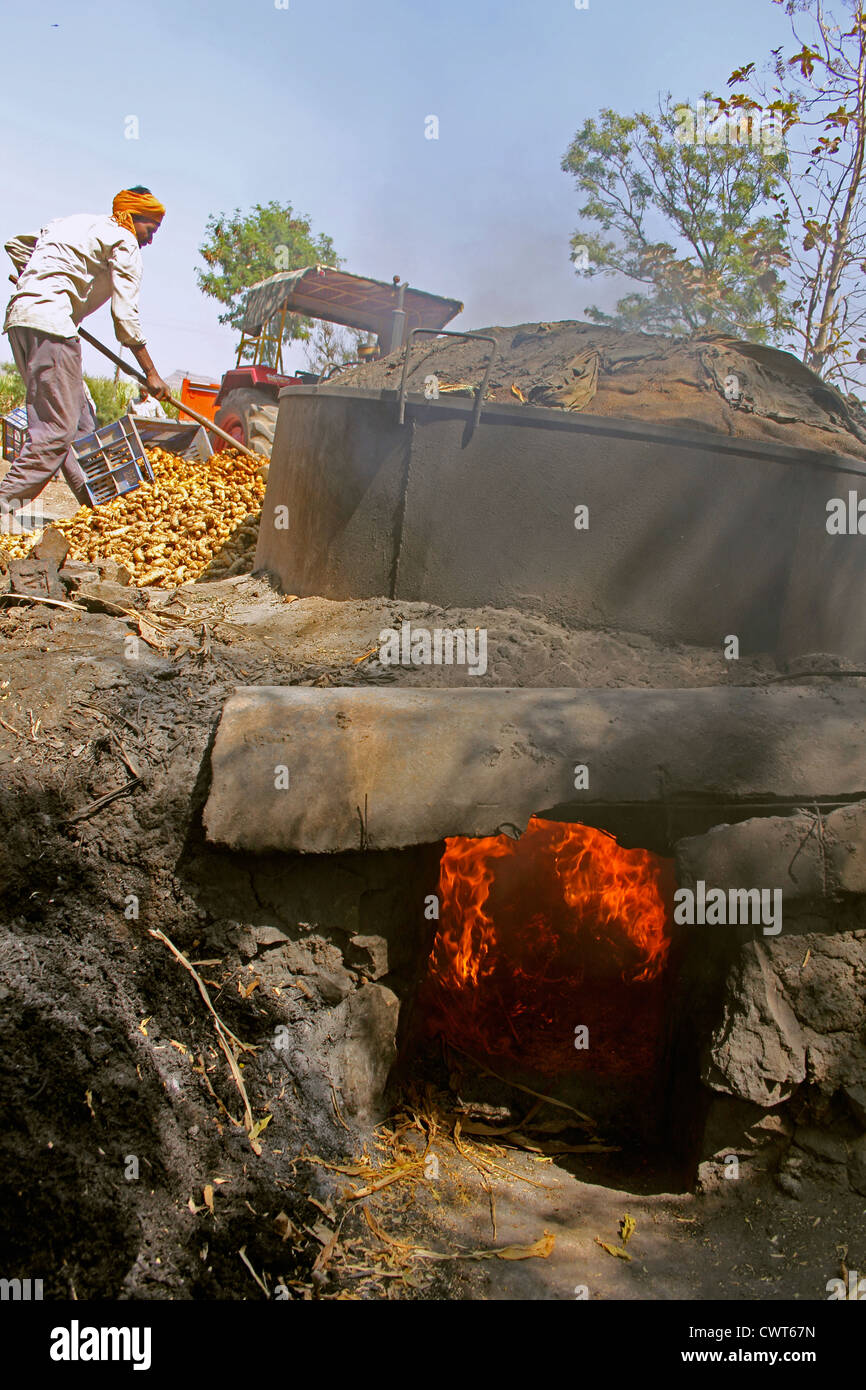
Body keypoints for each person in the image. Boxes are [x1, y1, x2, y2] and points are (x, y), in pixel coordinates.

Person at [0, 187, 169, 521]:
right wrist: (151, 373)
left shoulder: (75, 223)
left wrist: (33, 278)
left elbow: (16, 245)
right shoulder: (125, 241)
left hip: (22, 319)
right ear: (133, 216)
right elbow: (125, 316)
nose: (150, 239)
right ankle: (5, 500)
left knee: (81, 426)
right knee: (55, 431)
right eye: (150, 229)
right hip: (52, 327)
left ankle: (98, 509)